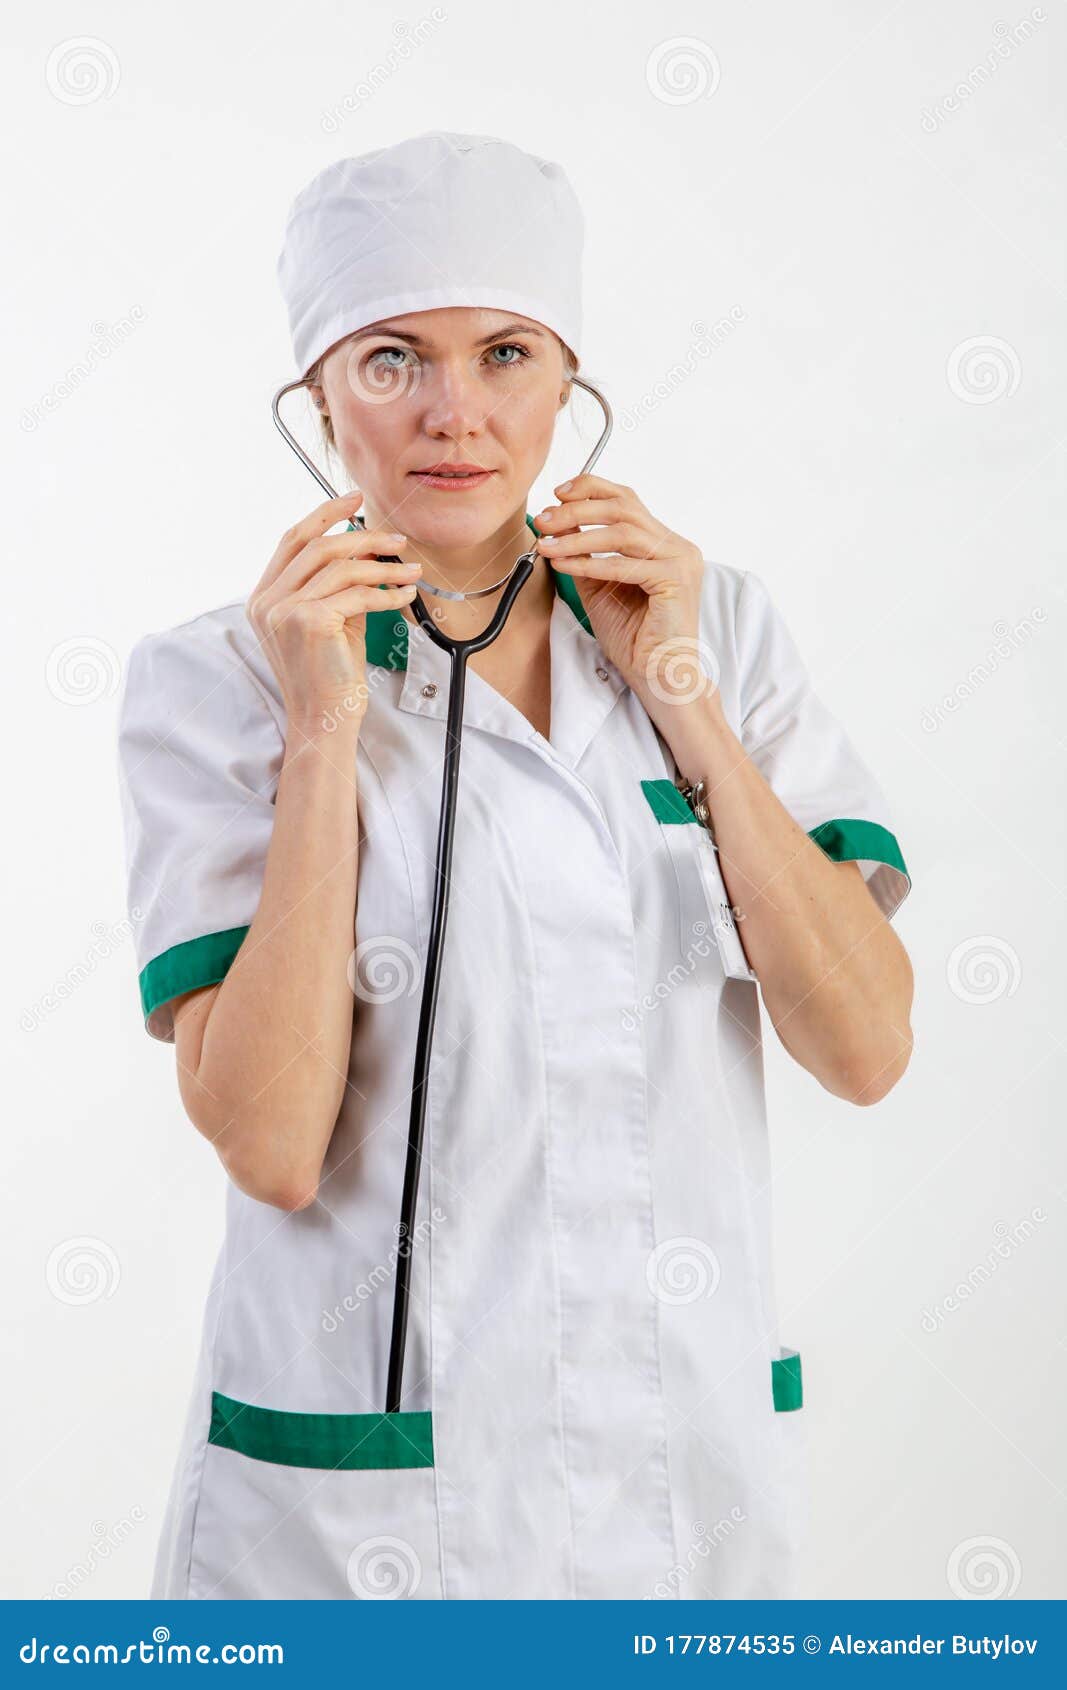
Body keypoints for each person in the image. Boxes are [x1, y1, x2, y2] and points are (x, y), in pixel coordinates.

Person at [116, 131, 913, 1601]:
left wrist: (682, 700)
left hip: (681, 1493)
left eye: (505, 352)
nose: (455, 415)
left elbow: (864, 1045)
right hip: (354, 1538)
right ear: (316, 398)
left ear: (571, 383)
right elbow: (274, 1143)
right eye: (391, 359)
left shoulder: (717, 629)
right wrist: (320, 736)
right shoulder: (212, 680)